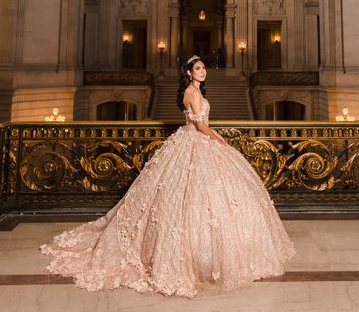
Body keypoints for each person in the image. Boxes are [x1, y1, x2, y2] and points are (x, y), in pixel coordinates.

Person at [41, 55, 295, 298]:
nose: (203, 72)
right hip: (195, 140)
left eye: (204, 68)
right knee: (184, 197)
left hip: (196, 142)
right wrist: (219, 139)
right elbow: (199, 124)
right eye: (197, 69)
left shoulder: (198, 91)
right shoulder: (191, 93)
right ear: (188, 73)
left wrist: (214, 137)